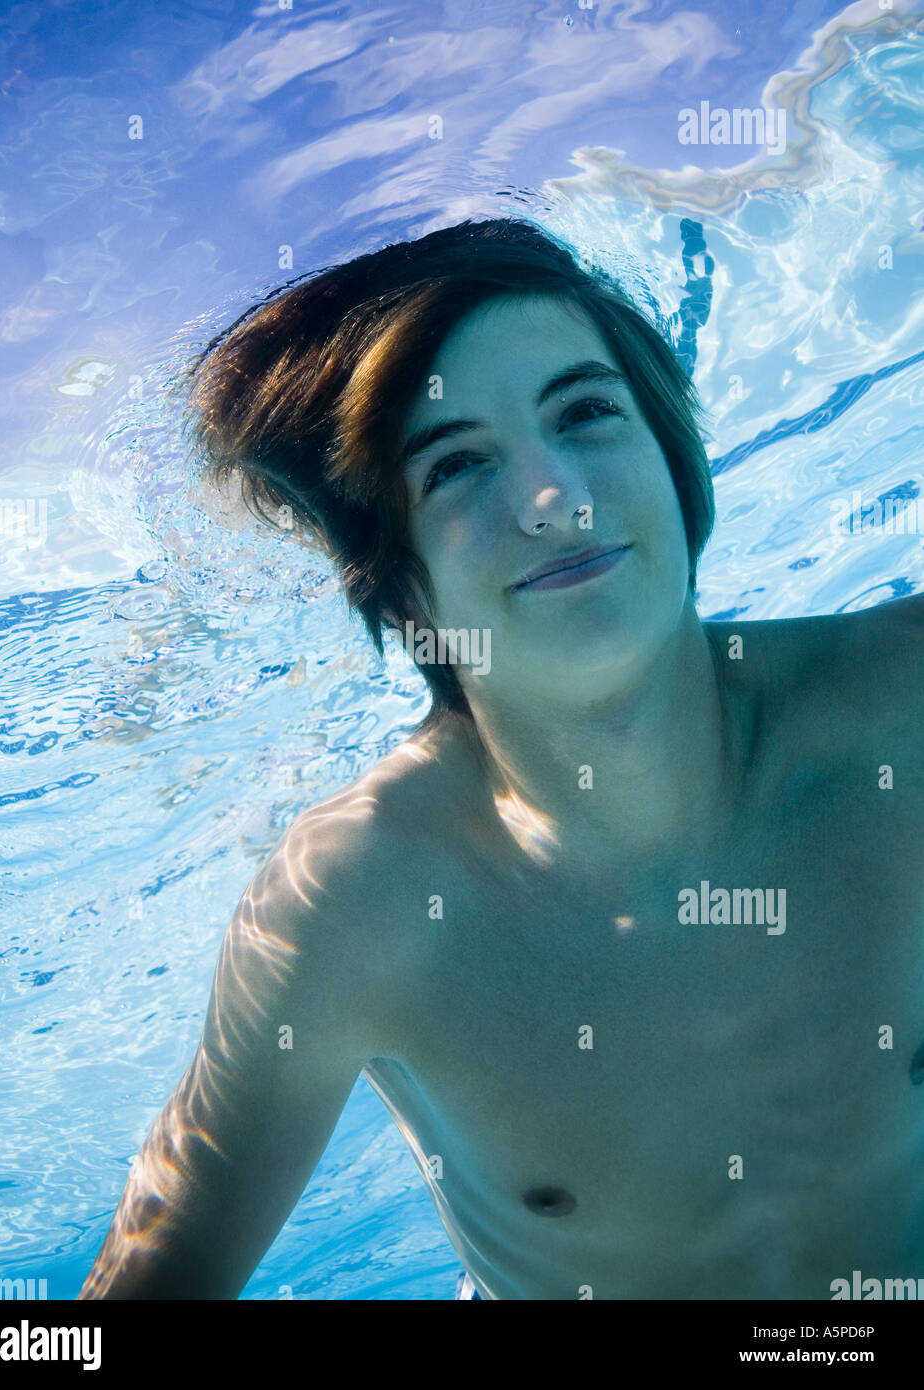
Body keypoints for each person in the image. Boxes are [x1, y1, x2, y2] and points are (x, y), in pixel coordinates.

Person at [78, 218, 924, 1301]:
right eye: (456, 463)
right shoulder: (352, 906)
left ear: (672, 452)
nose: (553, 497)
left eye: (584, 411)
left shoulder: (901, 703)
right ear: (394, 572)